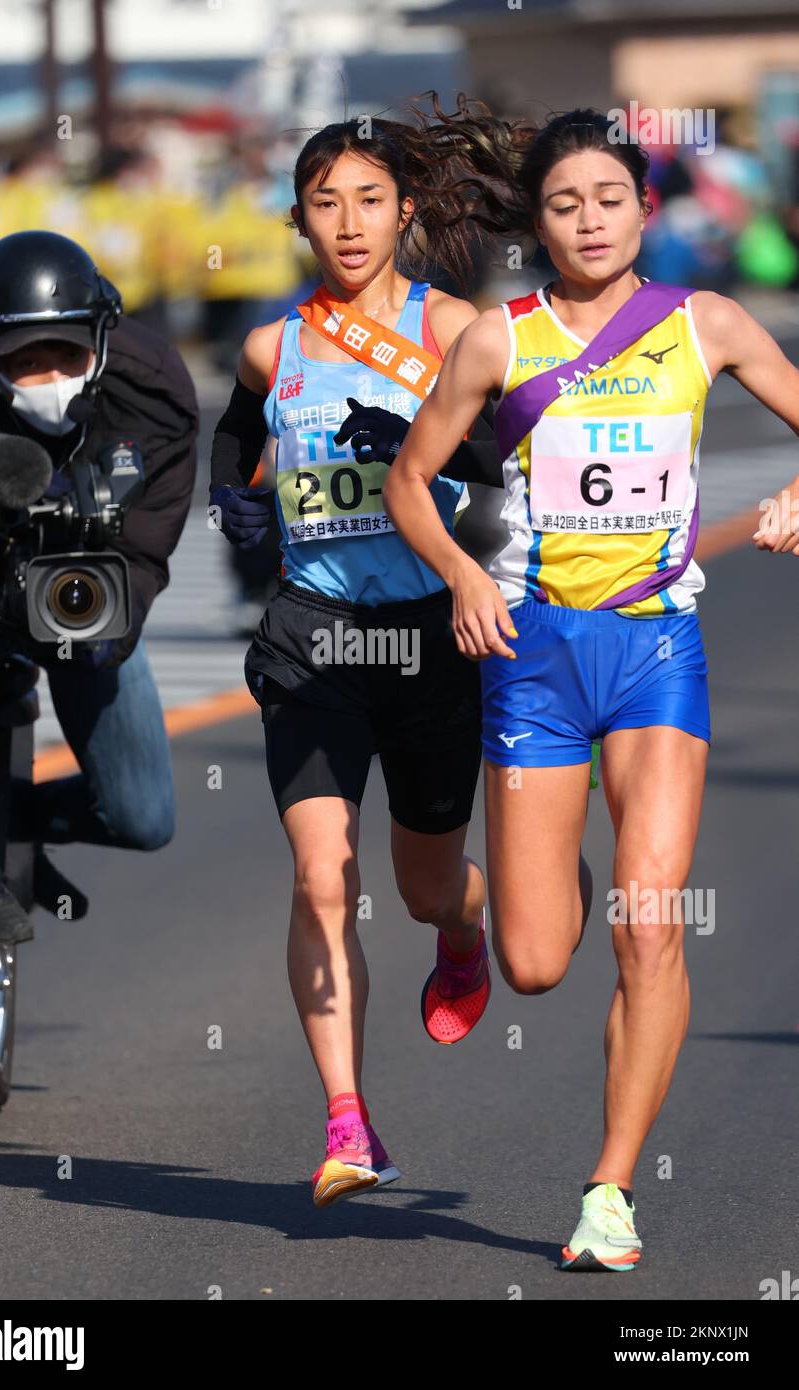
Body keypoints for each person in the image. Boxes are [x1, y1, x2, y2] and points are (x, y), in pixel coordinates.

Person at [383, 106, 799, 1269]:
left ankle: (607, 1188)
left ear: (642, 209)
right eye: (564, 203)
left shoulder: (703, 324)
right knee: (533, 958)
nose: (589, 220)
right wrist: (463, 573)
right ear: (539, 220)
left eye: (608, 199)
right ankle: (508, 896)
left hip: (655, 648)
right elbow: (413, 482)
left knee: (650, 919)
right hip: (534, 657)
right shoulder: (496, 344)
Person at [209, 107, 583, 1208]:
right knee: (322, 876)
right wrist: (237, 501)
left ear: (404, 209)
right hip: (311, 635)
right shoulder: (271, 346)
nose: (348, 222)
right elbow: (240, 433)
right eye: (324, 203)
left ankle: (462, 927)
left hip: (428, 632)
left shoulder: (453, 327)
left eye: (369, 198)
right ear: (298, 220)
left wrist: (433, 457)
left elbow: (513, 466)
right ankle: (346, 1119)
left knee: (422, 888)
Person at [0, 230, 198, 945]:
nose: (46, 375)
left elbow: (146, 553)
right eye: (24, 359)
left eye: (64, 353)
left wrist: (115, 622)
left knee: (146, 820)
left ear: (101, 338)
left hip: (93, 594)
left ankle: (11, 820)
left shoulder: (158, 394)